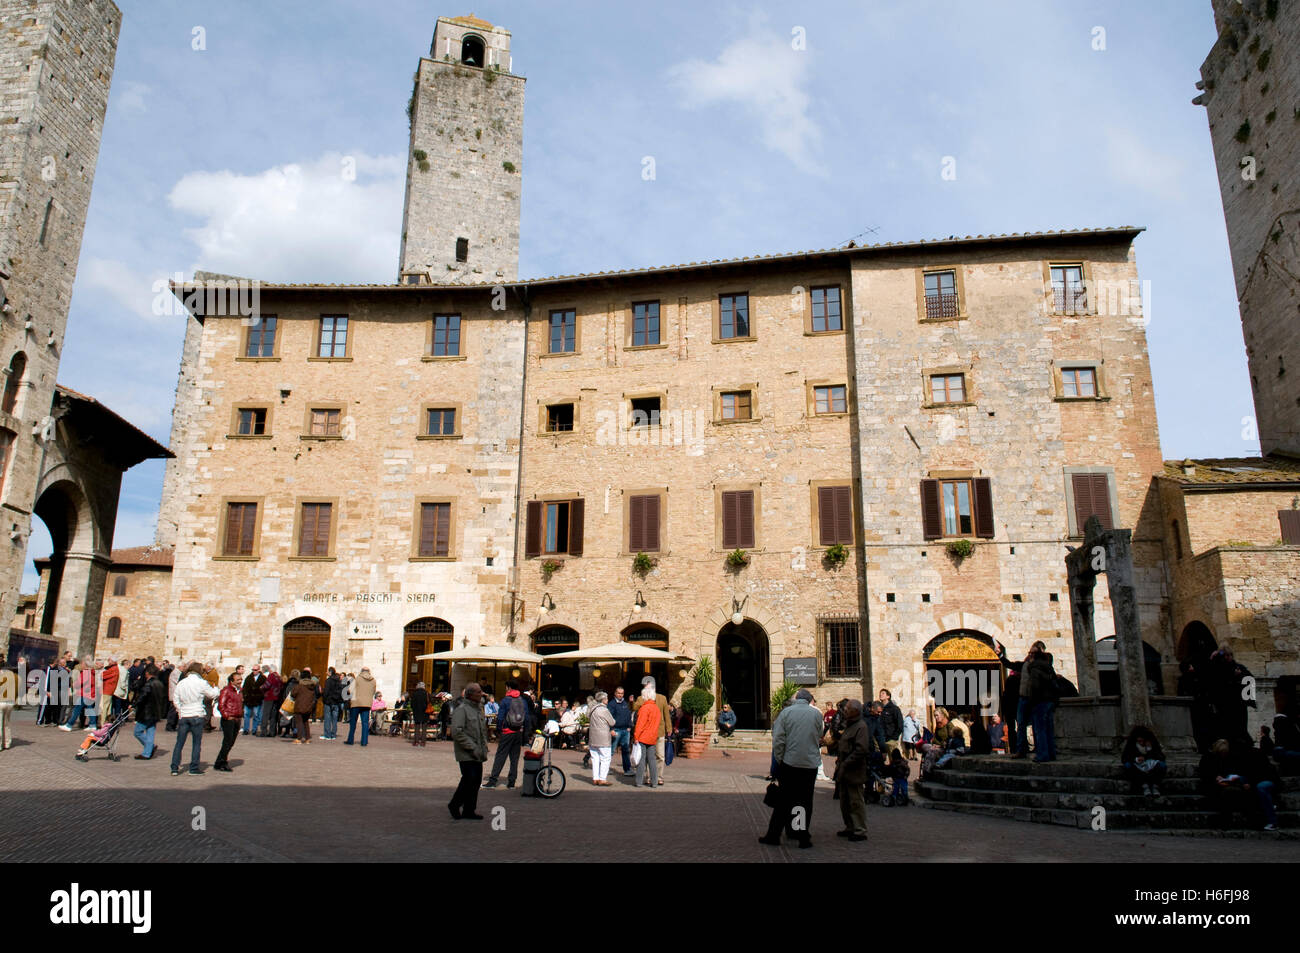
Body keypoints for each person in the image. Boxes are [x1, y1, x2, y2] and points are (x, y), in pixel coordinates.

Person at [760, 689, 824, 849]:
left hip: (790, 763)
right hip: (810, 764)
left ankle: (774, 835)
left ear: (797, 699)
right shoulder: (816, 714)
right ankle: (800, 834)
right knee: (804, 801)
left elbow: (779, 739)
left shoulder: (786, 713)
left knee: (784, 800)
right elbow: (819, 734)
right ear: (810, 700)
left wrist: (780, 759)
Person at [171, 662, 219, 776]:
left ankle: (174, 767)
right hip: (197, 714)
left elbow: (176, 699)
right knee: (196, 743)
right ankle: (193, 768)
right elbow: (212, 694)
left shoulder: (181, 683)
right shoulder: (201, 682)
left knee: (179, 743)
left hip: (184, 714)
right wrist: (216, 688)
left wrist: (181, 711)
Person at [484, 678, 533, 788]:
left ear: (508, 687)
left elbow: (500, 717)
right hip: (518, 732)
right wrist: (525, 733)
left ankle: (492, 781)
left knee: (500, 756)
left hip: (507, 732)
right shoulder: (522, 700)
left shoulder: (506, 700)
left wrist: (499, 730)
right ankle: (511, 783)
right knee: (514, 758)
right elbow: (527, 718)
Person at [449, 682, 488, 819]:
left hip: (478, 752)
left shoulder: (479, 709)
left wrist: (483, 748)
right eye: (478, 692)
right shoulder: (462, 710)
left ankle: (469, 809)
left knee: (476, 781)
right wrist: (472, 746)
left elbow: (482, 731)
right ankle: (455, 804)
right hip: (466, 752)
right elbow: (457, 732)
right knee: (468, 779)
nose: (481, 694)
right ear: (471, 694)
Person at [833, 698, 869, 842]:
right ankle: (849, 826)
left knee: (855, 801)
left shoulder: (861, 727)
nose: (845, 711)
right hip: (844, 768)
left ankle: (860, 830)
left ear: (855, 711)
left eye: (847, 709)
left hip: (854, 769)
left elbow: (861, 749)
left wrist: (847, 762)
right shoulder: (849, 725)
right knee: (845, 801)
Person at [634, 676, 672, 785]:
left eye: (647, 686)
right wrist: (643, 700)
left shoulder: (662, 698)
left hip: (659, 731)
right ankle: (649, 777)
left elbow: (666, 715)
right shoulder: (642, 698)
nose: (646, 688)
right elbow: (635, 708)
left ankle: (659, 777)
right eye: (644, 686)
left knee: (660, 755)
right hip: (646, 733)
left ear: (653, 686)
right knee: (647, 756)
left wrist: (669, 728)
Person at [1026, 644, 1058, 763]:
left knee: (1040, 729)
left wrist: (1032, 700)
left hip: (1039, 701)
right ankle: (1051, 753)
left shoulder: (1034, 668)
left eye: (1030, 654)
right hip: (1050, 701)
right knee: (1049, 729)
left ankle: (1043, 755)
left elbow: (1035, 686)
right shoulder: (1048, 667)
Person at [132, 664, 167, 760]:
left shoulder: (149, 684)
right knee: (150, 732)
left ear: (147, 673)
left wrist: (134, 704)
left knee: (137, 732)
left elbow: (143, 696)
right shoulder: (160, 683)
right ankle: (147, 752)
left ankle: (149, 747)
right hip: (156, 712)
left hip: (147, 712)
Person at [1121, 725, 1167, 796]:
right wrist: (1136, 759)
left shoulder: (1152, 744)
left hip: (1151, 765)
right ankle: (1144, 785)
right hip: (1138, 766)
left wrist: (1149, 750)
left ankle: (1155, 786)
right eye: (1139, 741)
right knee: (1128, 766)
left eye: (1143, 741)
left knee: (1161, 765)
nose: (1141, 743)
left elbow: (1161, 757)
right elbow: (1125, 757)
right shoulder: (1132, 745)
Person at [633, 682, 663, 788]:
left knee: (641, 760)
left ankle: (639, 781)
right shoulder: (656, 709)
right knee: (652, 760)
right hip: (653, 736)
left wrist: (636, 736)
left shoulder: (644, 708)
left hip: (643, 736)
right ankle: (654, 782)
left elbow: (640, 724)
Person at [59, 655, 99, 733]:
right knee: (90, 709)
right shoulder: (91, 672)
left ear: (86, 665)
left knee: (76, 709)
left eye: (83, 664)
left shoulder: (86, 672)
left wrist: (74, 685)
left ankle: (69, 725)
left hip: (84, 694)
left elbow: (80, 682)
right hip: (89, 694)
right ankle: (93, 725)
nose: (82, 665)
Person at [214, 673, 243, 771]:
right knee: (227, 742)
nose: (240, 681)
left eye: (240, 679)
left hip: (237, 719)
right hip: (229, 719)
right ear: (232, 681)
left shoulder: (239, 691)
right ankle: (222, 762)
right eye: (238, 679)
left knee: (231, 742)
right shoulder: (226, 690)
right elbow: (221, 706)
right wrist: (227, 716)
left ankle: (219, 761)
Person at [588, 690, 615, 785]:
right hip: (603, 737)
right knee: (605, 758)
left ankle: (595, 778)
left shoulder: (592, 709)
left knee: (595, 758)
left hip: (592, 737)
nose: (607, 700)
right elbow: (612, 722)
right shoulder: (604, 710)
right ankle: (603, 778)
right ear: (603, 700)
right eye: (606, 698)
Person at [345, 667, 377, 746]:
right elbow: (373, 692)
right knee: (365, 723)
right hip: (367, 704)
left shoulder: (358, 679)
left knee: (353, 722)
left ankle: (350, 740)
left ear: (361, 671)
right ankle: (364, 741)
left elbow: (350, 690)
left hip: (356, 703)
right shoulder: (373, 680)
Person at [609, 685, 635, 775]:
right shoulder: (612, 704)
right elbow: (609, 717)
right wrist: (611, 729)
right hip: (616, 729)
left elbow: (629, 714)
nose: (620, 695)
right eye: (619, 693)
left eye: (622, 693)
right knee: (611, 750)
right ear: (615, 693)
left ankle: (627, 770)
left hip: (625, 730)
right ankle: (605, 768)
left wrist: (629, 726)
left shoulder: (625, 703)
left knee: (626, 750)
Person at [291, 667, 319, 744]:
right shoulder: (312, 686)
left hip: (299, 706)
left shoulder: (300, 686)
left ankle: (299, 738)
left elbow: (293, 694)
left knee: (299, 722)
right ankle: (307, 738)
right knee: (306, 722)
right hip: (308, 706)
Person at [241, 665, 266, 735]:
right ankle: (246, 729)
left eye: (255, 670)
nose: (254, 671)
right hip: (248, 699)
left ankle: (254, 729)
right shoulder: (248, 678)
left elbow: (265, 688)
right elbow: (244, 688)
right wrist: (245, 696)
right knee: (246, 714)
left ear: (259, 670)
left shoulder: (263, 678)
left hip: (257, 699)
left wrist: (260, 696)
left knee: (256, 714)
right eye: (253, 670)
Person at [259, 664, 282, 738]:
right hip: (276, 697)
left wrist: (261, 687)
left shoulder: (271, 676)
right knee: (273, 715)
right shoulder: (278, 676)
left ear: (270, 669)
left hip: (269, 697)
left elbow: (267, 685)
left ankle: (263, 731)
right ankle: (272, 732)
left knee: (265, 714)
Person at [878, 689, 903, 754]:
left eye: (883, 693)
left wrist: (894, 738)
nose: (880, 694)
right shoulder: (879, 709)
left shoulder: (894, 709)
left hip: (891, 739)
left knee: (893, 760)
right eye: (880, 693)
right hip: (881, 739)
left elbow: (900, 724)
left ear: (888, 696)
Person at [321, 667, 343, 740]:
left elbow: (326, 692)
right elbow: (340, 692)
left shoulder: (328, 681)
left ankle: (327, 734)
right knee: (334, 719)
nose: (326, 672)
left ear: (330, 672)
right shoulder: (338, 681)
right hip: (336, 702)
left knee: (327, 718)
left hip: (329, 702)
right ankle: (333, 734)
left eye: (327, 671)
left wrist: (324, 700)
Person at [410, 681, 431, 747]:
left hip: (417, 712)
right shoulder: (427, 693)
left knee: (417, 726)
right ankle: (423, 742)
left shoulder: (414, 693)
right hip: (425, 712)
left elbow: (412, 704)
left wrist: (414, 709)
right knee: (424, 727)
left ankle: (416, 741)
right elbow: (430, 702)